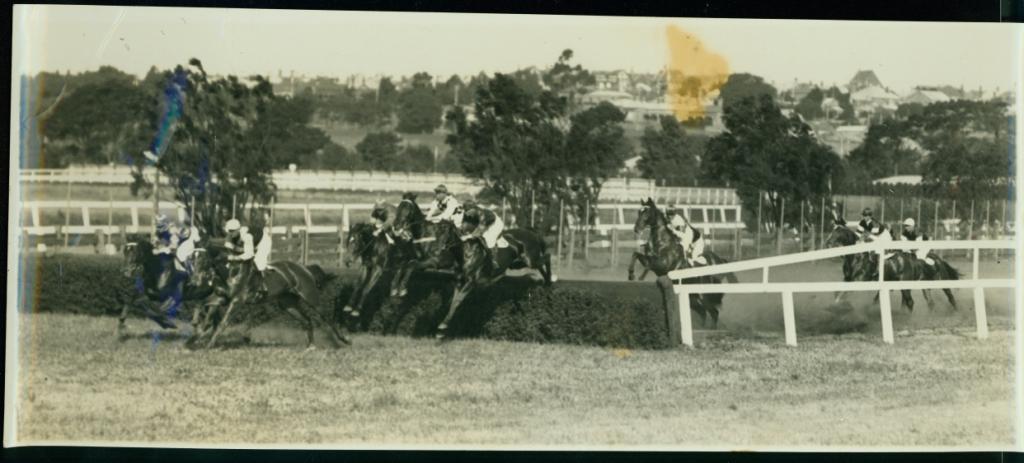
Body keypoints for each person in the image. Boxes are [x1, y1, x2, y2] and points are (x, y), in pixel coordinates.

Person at [224, 218, 267, 301]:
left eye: (232, 231)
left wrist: (236, 257)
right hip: (252, 243)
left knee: (259, 262)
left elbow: (249, 254)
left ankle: (262, 287)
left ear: (238, 230)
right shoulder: (232, 234)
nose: (230, 233)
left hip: (263, 242)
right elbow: (228, 246)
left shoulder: (247, 236)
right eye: (229, 231)